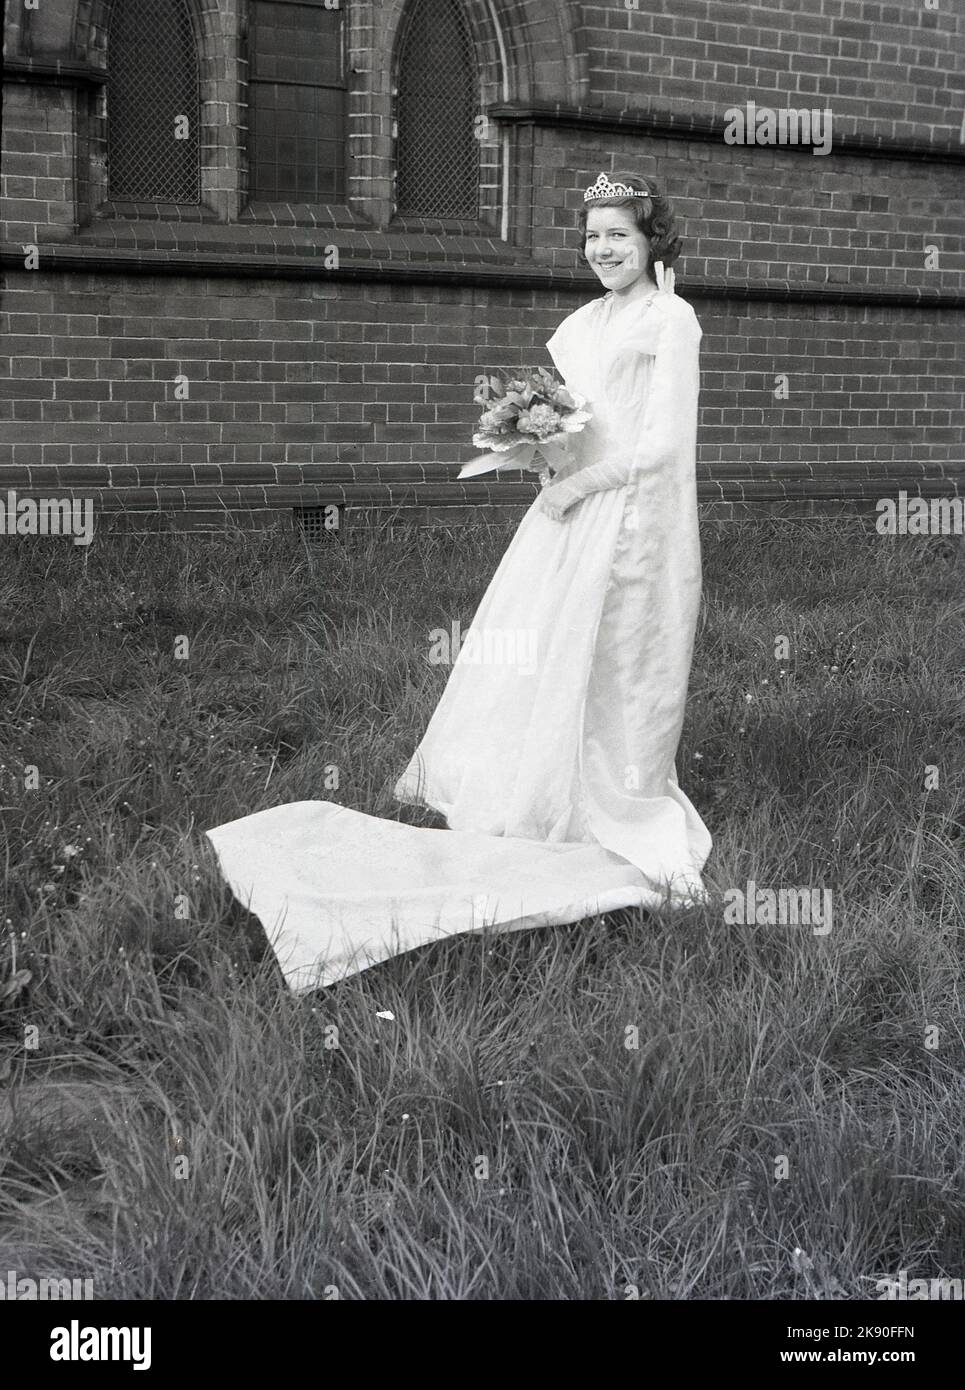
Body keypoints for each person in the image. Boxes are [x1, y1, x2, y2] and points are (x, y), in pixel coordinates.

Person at [207, 171, 712, 991]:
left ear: (653, 241)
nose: (602, 250)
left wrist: (573, 486)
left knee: (616, 657)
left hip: (631, 521)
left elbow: (658, 444)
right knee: (540, 651)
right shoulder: (582, 322)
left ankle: (610, 796)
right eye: (591, 237)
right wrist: (536, 449)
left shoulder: (670, 319)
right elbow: (578, 419)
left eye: (618, 234)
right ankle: (539, 788)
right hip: (565, 511)